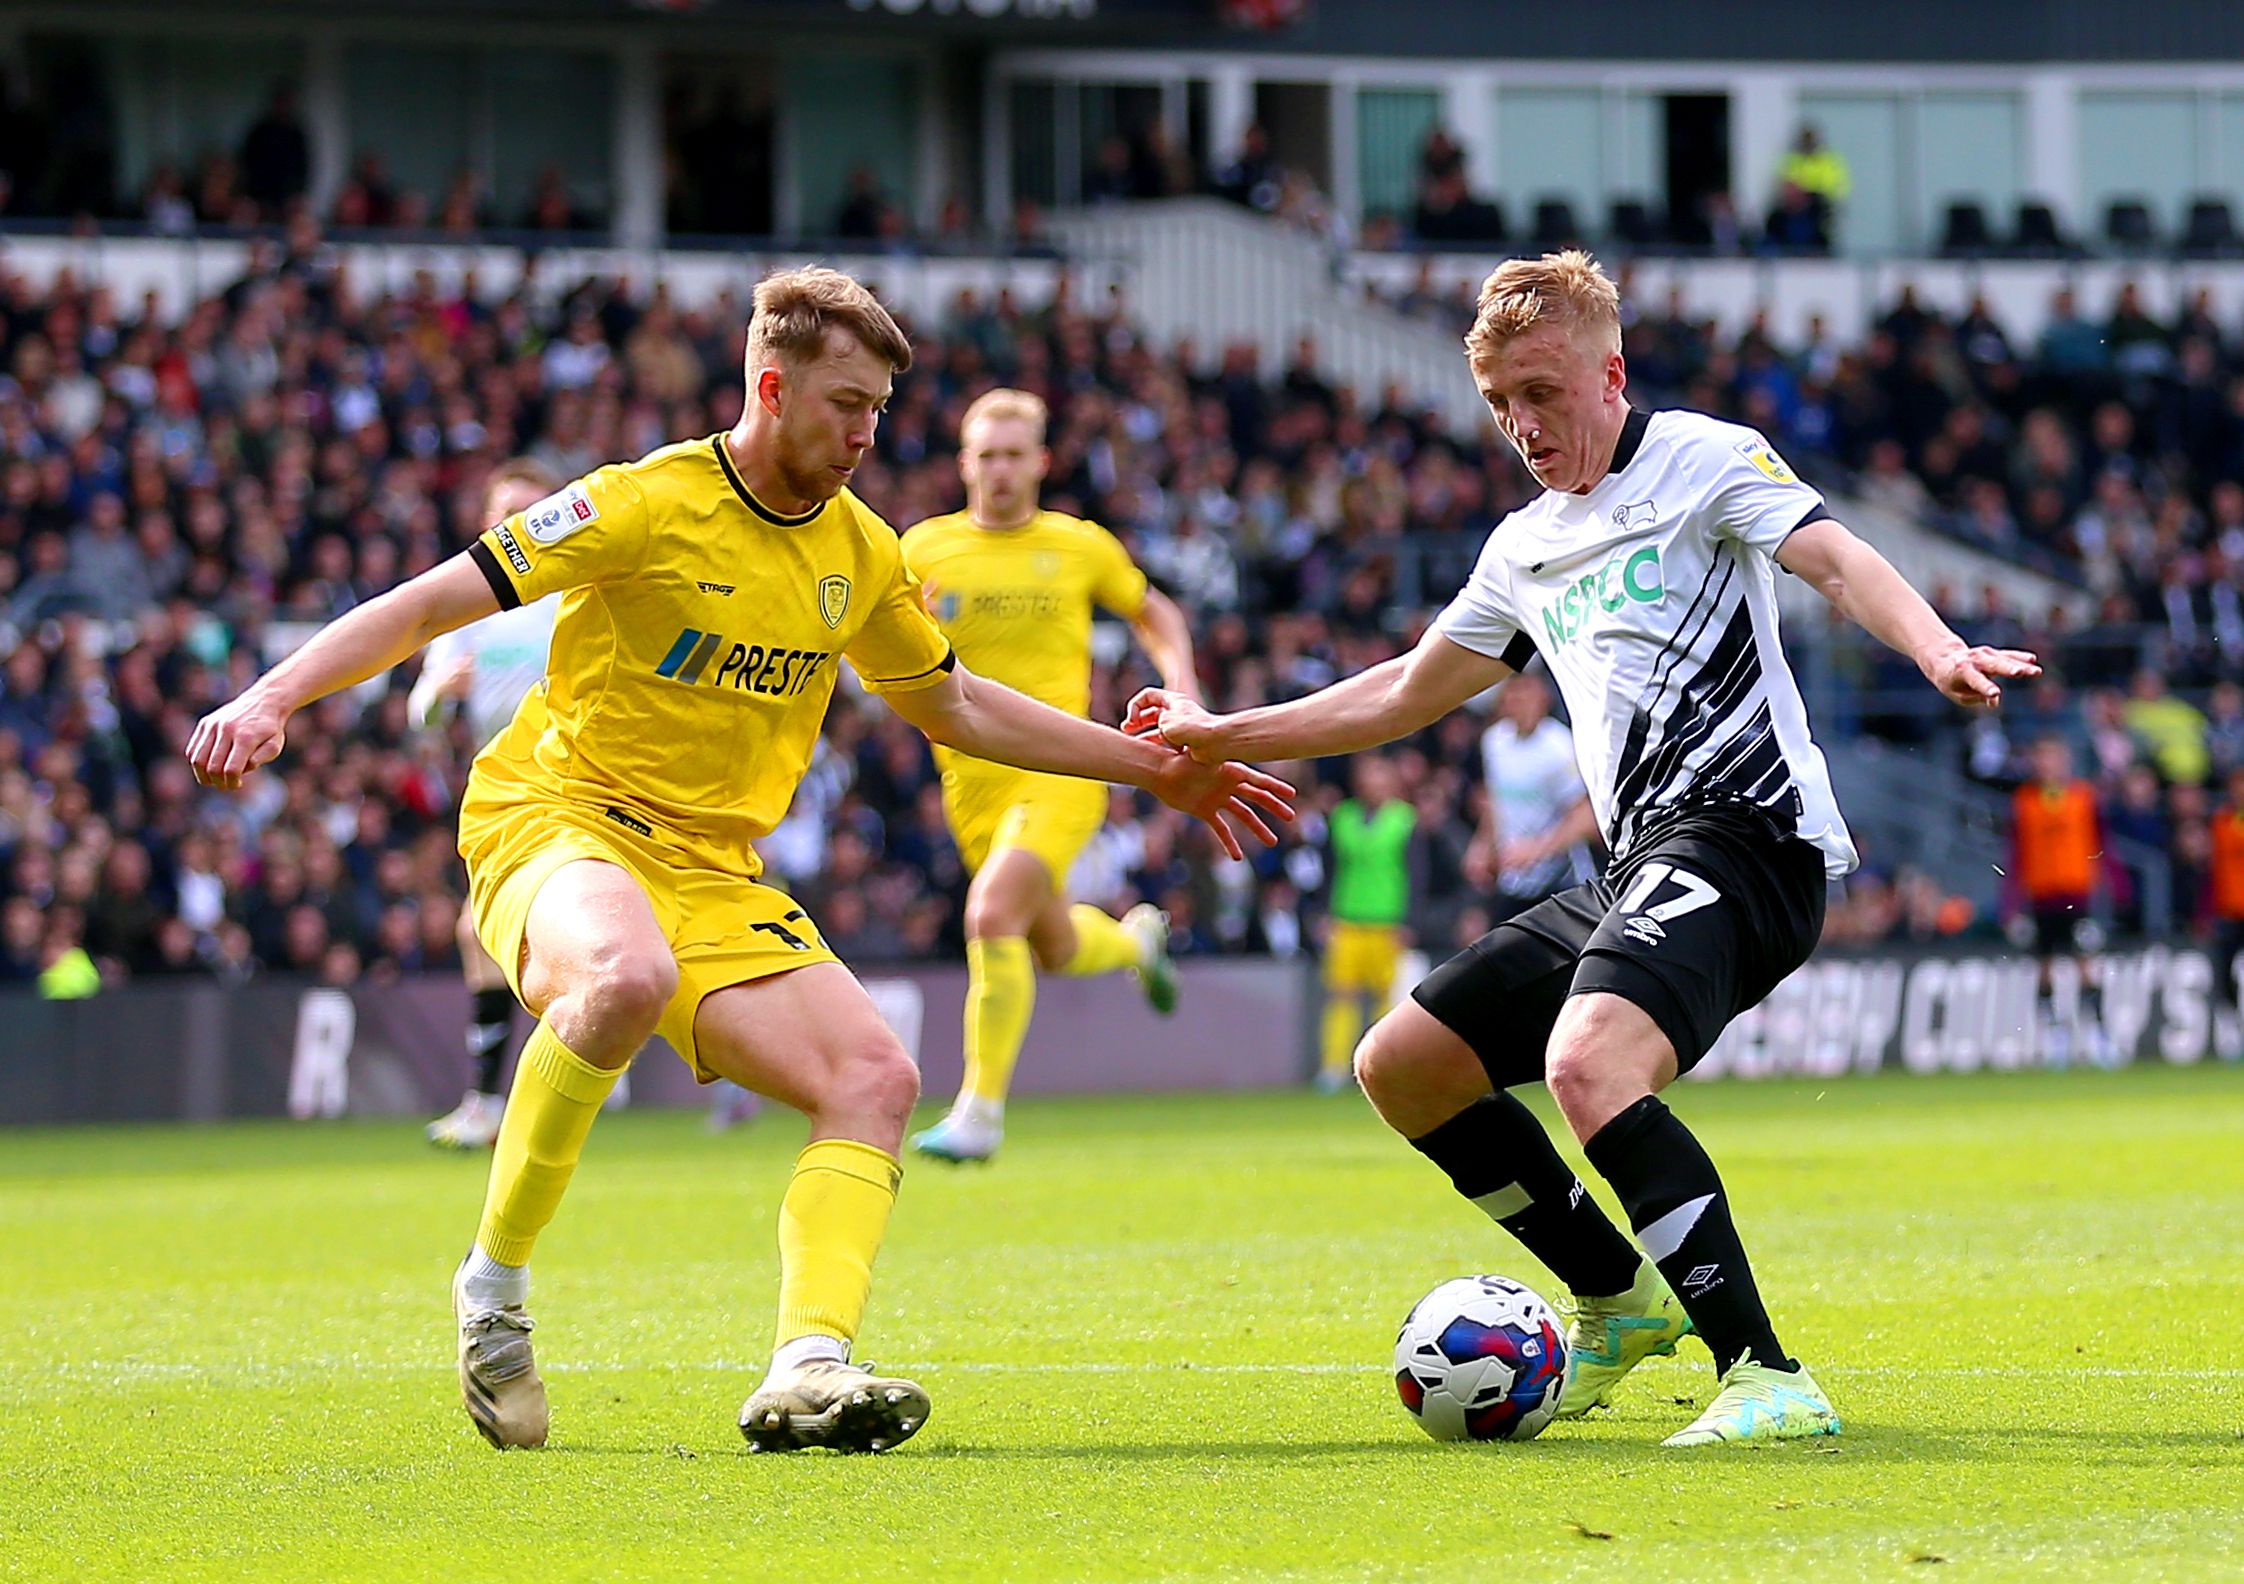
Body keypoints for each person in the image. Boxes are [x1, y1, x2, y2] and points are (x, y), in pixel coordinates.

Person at [188, 266, 1293, 1457]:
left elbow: (958, 705)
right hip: (561, 813)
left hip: (715, 865)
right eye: (845, 406)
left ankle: (808, 1363)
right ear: (770, 387)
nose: (869, 434)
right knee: (622, 979)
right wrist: (275, 692)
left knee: (874, 1080)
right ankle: (494, 1289)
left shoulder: (862, 553)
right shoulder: (639, 502)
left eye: (878, 409)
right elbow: (428, 605)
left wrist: (1156, 770)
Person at [1129, 250, 2036, 1446]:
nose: (1523, 424)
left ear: (1611, 374)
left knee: (1589, 1063)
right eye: (1502, 403)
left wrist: (1935, 648)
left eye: (1544, 393)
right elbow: (1406, 689)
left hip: (1750, 842)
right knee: (1403, 1062)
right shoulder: (1521, 546)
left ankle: (1767, 1375)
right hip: (1639, 862)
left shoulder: (1702, 459)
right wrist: (1223, 731)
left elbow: (1833, 554)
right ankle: (1619, 1298)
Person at [899, 389, 1200, 1164]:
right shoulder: (922, 551)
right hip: (970, 784)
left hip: (1062, 769)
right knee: (1053, 945)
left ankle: (979, 1113)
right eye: (986, 455)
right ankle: (1135, 944)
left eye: (1014, 454)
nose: (1000, 470)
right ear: (965, 463)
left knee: (990, 914)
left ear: (1041, 462)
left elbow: (1157, 614)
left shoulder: (1078, 545)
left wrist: (1183, 688)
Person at [411, 459, 565, 1151]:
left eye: (533, 510)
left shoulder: (572, 595)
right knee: (483, 938)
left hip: (565, 782)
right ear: (486, 521)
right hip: (494, 789)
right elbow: (422, 712)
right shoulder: (469, 605)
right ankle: (500, 1100)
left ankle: (490, 1101)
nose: (519, 522)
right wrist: (441, 695)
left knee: (484, 933)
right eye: (508, 510)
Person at [1315, 753, 1415, 1093]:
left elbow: (1415, 873)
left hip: (1388, 921)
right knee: (1341, 996)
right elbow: (1328, 869)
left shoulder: (1405, 820)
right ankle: (1333, 1067)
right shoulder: (1342, 817)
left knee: (1385, 999)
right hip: (1347, 918)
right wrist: (1324, 912)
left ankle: (1381, 1067)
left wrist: (1410, 919)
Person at [1472, 667, 1597, 918]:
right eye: (1513, 692)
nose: (1519, 700)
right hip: (1512, 880)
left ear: (1543, 698)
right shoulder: (1494, 741)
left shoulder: (1560, 747)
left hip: (1559, 883)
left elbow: (1585, 817)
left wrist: (1535, 850)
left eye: (1526, 691)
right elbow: (1496, 801)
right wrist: (1482, 845)